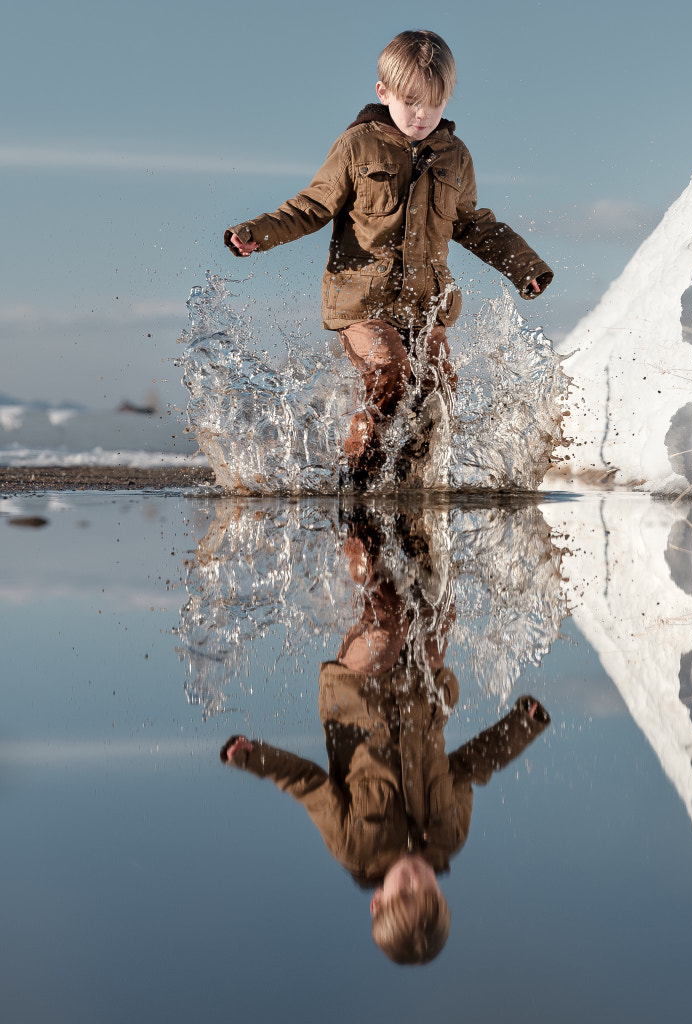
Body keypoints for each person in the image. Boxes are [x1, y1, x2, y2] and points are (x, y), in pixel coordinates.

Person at [220, 510, 551, 964]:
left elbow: (308, 783)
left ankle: (354, 512)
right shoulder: (449, 835)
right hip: (422, 692)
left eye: (404, 893)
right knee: (435, 610)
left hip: (360, 698)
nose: (416, 879)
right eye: (428, 893)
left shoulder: (355, 845)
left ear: (378, 901)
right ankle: (411, 491)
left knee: (389, 622)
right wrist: (522, 726)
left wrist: (254, 758)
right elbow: (470, 768)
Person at [225, 29, 553, 484]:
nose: (422, 116)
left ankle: (409, 482)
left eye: (434, 105)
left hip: (426, 306)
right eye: (411, 102)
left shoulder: (454, 156)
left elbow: (473, 223)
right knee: (390, 373)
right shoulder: (357, 146)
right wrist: (257, 233)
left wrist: (525, 266)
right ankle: (358, 477)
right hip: (361, 303)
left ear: (448, 98)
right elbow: (313, 205)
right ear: (383, 92)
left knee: (438, 388)